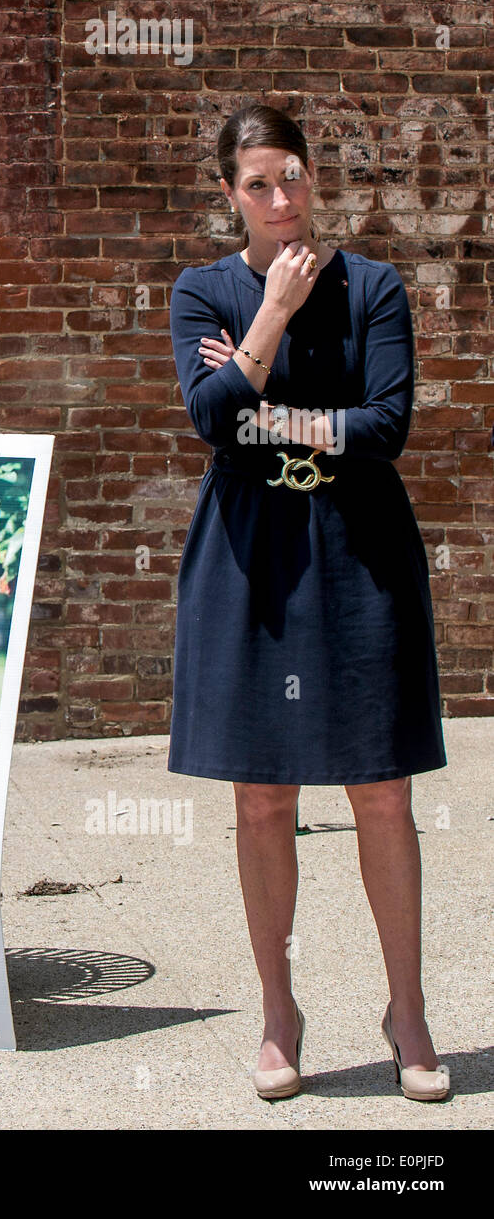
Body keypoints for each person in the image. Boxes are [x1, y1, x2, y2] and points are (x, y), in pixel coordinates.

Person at [167, 104, 449, 1101]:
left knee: (379, 786)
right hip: (249, 560)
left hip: (356, 552)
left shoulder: (373, 286)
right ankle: (278, 1011)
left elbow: (384, 426)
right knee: (261, 794)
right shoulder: (202, 290)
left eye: (292, 177)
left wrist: (263, 404)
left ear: (311, 176)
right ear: (228, 193)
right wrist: (272, 317)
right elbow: (208, 422)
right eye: (258, 185)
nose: (280, 199)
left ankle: (405, 1010)